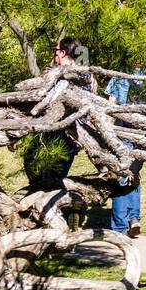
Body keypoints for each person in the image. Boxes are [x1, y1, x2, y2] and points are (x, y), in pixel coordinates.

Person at [26, 38, 94, 193]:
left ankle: (56, 207)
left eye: (56, 50)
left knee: (51, 178)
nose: (54, 54)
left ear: (63, 53)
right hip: (63, 133)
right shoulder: (86, 75)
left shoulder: (65, 75)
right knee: (39, 170)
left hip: (63, 133)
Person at [109, 68, 146, 238]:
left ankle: (120, 226)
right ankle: (133, 217)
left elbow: (111, 103)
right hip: (144, 130)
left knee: (120, 174)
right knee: (134, 172)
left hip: (123, 128)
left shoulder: (119, 75)